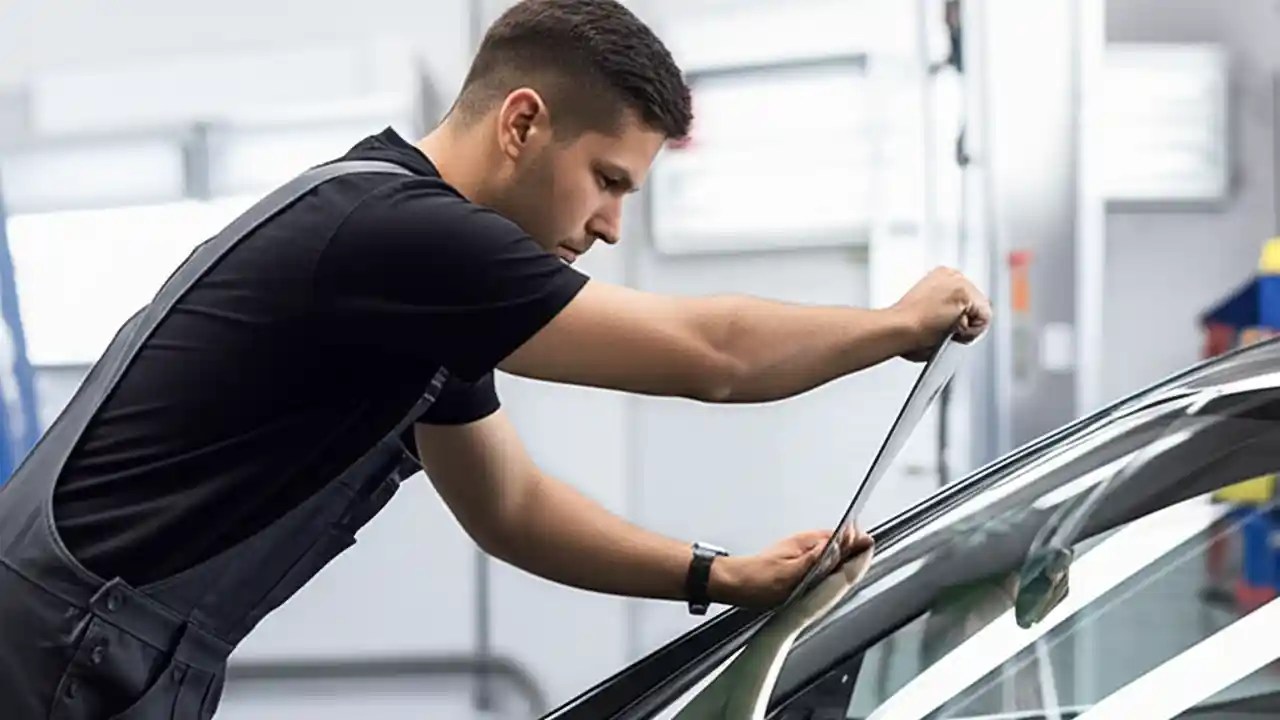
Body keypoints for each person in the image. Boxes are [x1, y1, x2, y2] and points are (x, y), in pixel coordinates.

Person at [0, 0, 991, 716]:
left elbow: (508, 507)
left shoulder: (415, 280)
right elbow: (710, 354)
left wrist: (719, 575)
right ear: (522, 122)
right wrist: (893, 323)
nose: (608, 225)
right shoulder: (395, 232)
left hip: (107, 649)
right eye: (605, 180)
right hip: (59, 646)